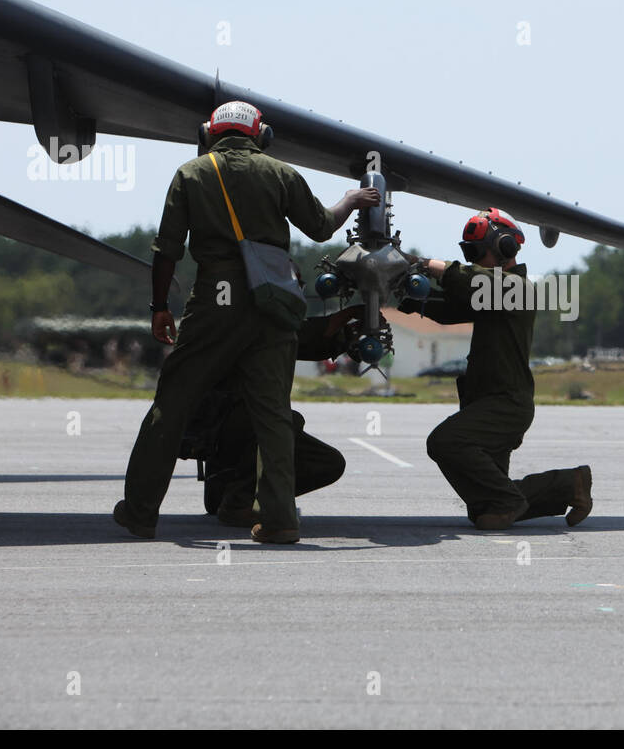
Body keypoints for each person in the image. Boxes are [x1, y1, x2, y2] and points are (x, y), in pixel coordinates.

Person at [113, 100, 379, 543]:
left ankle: (141, 512)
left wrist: (160, 306)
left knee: (172, 405)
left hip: (214, 300)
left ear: (209, 133)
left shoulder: (192, 173)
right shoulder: (281, 173)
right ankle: (279, 519)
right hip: (271, 303)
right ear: (262, 136)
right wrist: (351, 199)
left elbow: (167, 250)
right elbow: (320, 227)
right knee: (273, 414)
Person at [404, 208, 592, 529]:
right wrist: (402, 295)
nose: (473, 259)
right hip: (489, 402)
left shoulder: (517, 290)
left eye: (476, 251)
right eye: (468, 252)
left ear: (505, 247)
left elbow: (466, 280)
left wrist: (422, 264)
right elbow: (449, 308)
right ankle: (569, 484)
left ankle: (518, 498)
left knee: (445, 442)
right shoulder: (491, 294)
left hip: (505, 404)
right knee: (484, 509)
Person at [183, 308, 366, 526]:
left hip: (234, 425)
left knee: (329, 463)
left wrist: (347, 332)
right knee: (285, 421)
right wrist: (351, 313)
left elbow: (304, 341)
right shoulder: (249, 319)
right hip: (218, 423)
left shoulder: (266, 323)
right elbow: (302, 334)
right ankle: (237, 502)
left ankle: (233, 490)